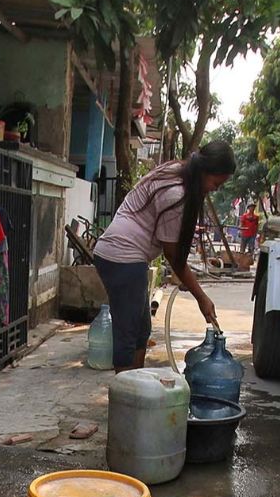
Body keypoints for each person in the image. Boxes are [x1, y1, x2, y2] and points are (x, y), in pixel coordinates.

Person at [91, 141, 236, 371]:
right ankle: (125, 391)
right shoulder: (175, 194)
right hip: (122, 257)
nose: (215, 189)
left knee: (141, 331)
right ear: (203, 170)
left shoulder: (175, 172)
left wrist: (187, 280)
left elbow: (176, 251)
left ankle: (137, 386)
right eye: (216, 183)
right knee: (128, 335)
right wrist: (202, 298)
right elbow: (173, 256)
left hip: (124, 257)